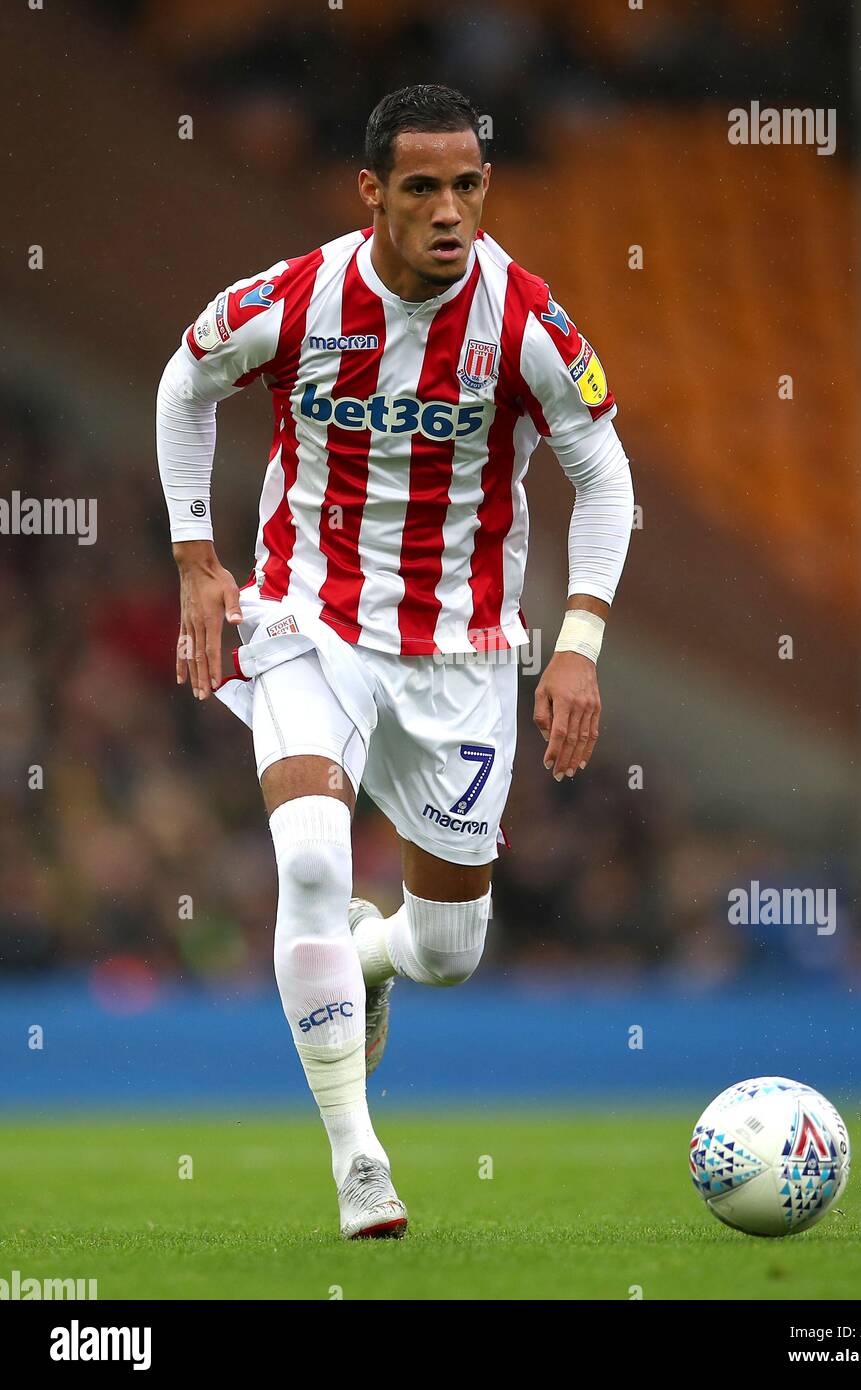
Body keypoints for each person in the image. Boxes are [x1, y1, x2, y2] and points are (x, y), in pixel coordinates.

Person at [156, 83, 634, 1238]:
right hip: (307, 621)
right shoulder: (298, 296)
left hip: (463, 655)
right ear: (370, 191)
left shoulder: (524, 321)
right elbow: (186, 384)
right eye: (421, 186)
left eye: (467, 185)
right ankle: (358, 1158)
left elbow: (604, 476)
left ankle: (368, 962)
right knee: (313, 860)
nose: (449, 210)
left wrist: (576, 643)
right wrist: (195, 559)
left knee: (449, 948)